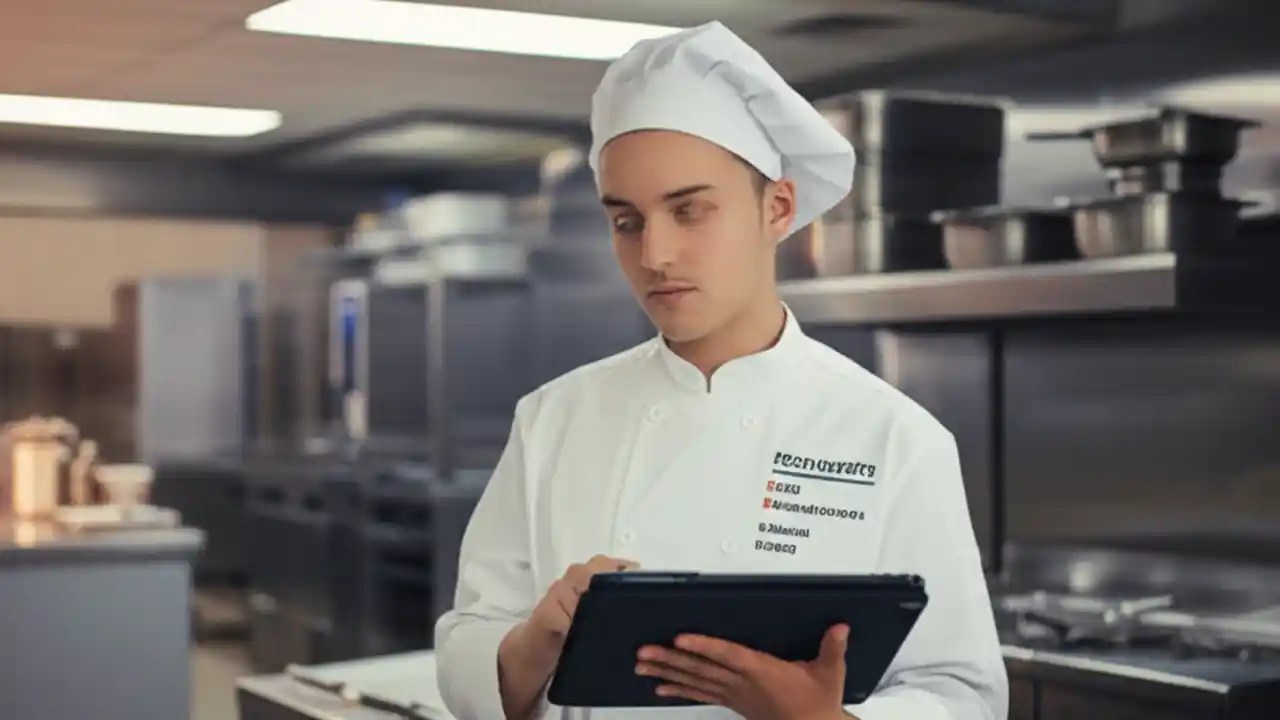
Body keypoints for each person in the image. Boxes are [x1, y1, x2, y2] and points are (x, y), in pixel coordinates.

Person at [435, 20, 1007, 720]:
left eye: (689, 210)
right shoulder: (552, 419)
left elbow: (963, 696)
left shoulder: (894, 437)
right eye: (627, 221)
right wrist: (539, 638)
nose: (655, 255)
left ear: (778, 208)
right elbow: (468, 648)